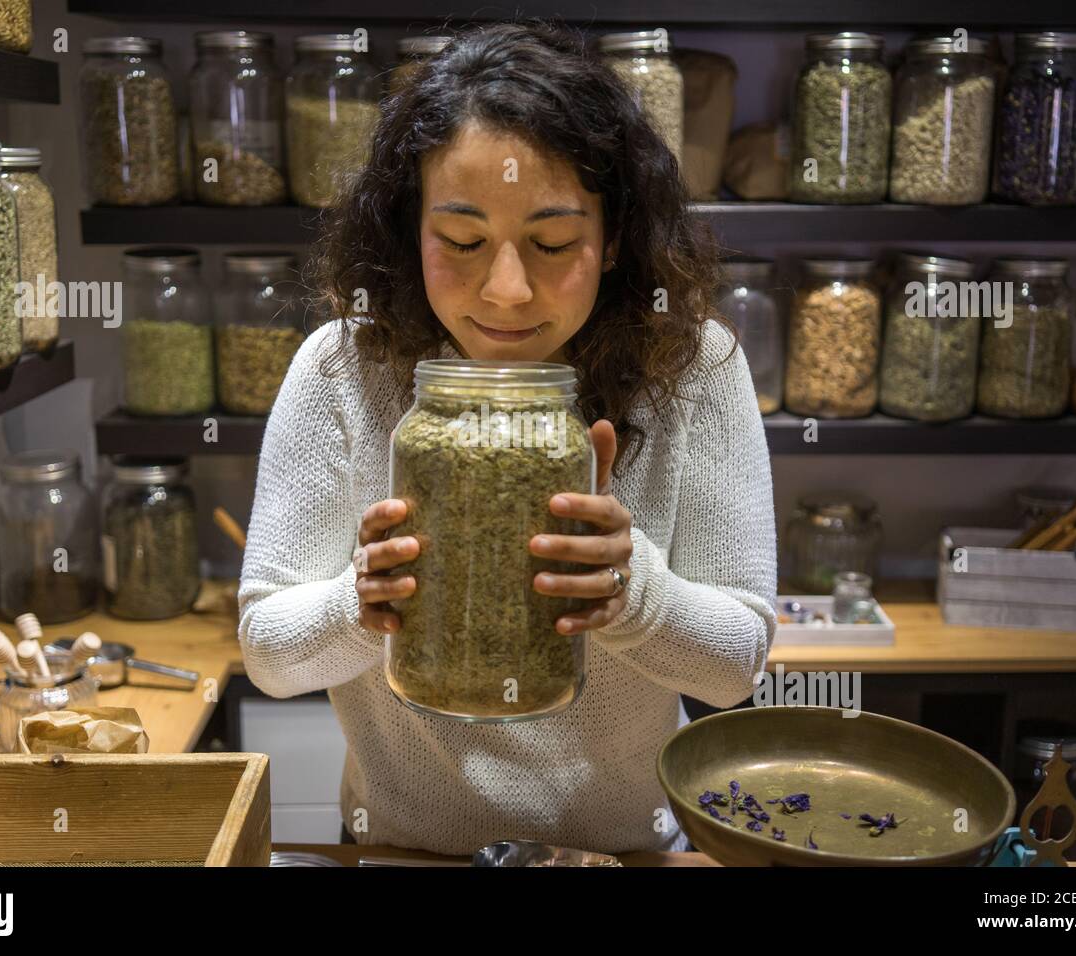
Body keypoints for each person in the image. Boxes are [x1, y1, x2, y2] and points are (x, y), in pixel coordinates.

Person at [238, 22, 776, 855]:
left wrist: (631, 593)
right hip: (400, 850)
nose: (508, 289)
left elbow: (737, 667)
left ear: (617, 236)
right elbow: (269, 657)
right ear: (408, 228)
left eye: (554, 242)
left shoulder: (695, 368)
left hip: (624, 853)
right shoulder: (346, 368)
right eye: (461, 241)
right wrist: (361, 603)